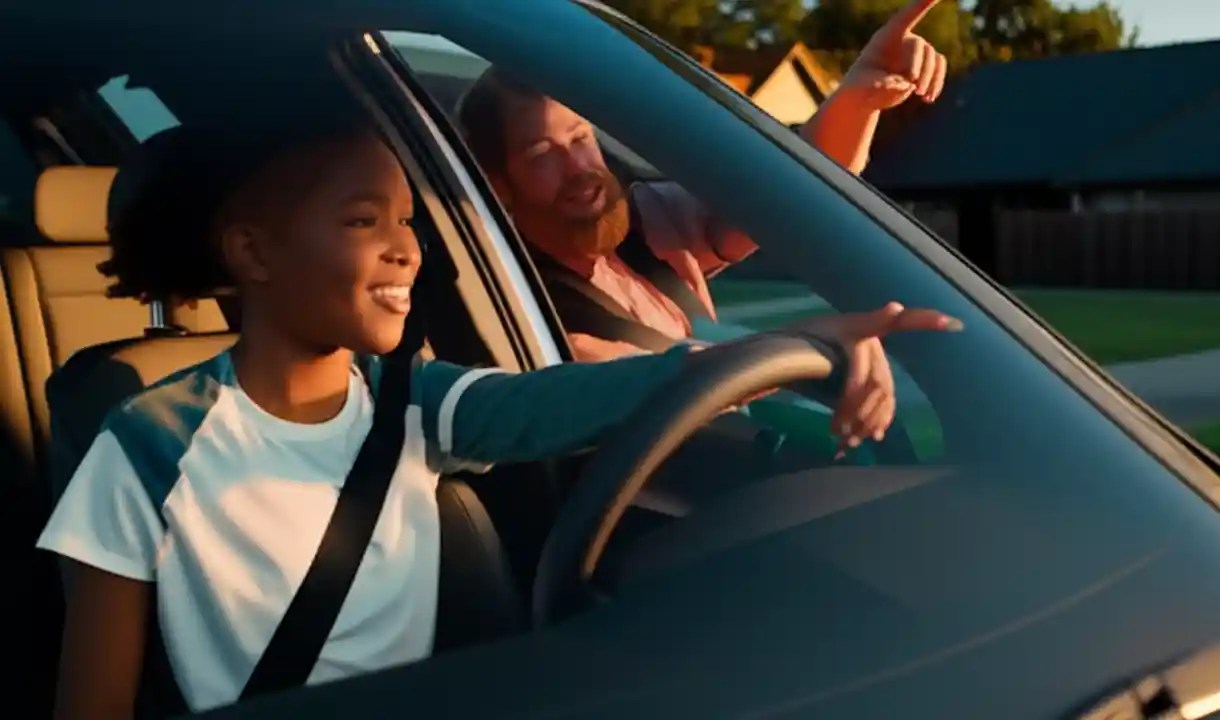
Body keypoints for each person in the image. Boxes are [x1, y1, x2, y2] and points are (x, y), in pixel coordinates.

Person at [35, 109, 959, 718]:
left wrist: (807, 341)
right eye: (366, 221)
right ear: (254, 252)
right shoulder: (143, 444)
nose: (406, 252)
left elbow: (579, 398)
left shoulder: (415, 401)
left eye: (408, 221)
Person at [456, 0, 949, 365]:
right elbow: (636, 372)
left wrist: (857, 97)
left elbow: (779, 197)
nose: (578, 166)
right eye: (542, 154)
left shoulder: (647, 221)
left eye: (580, 136)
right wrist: (818, 350)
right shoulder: (514, 299)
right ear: (499, 185)